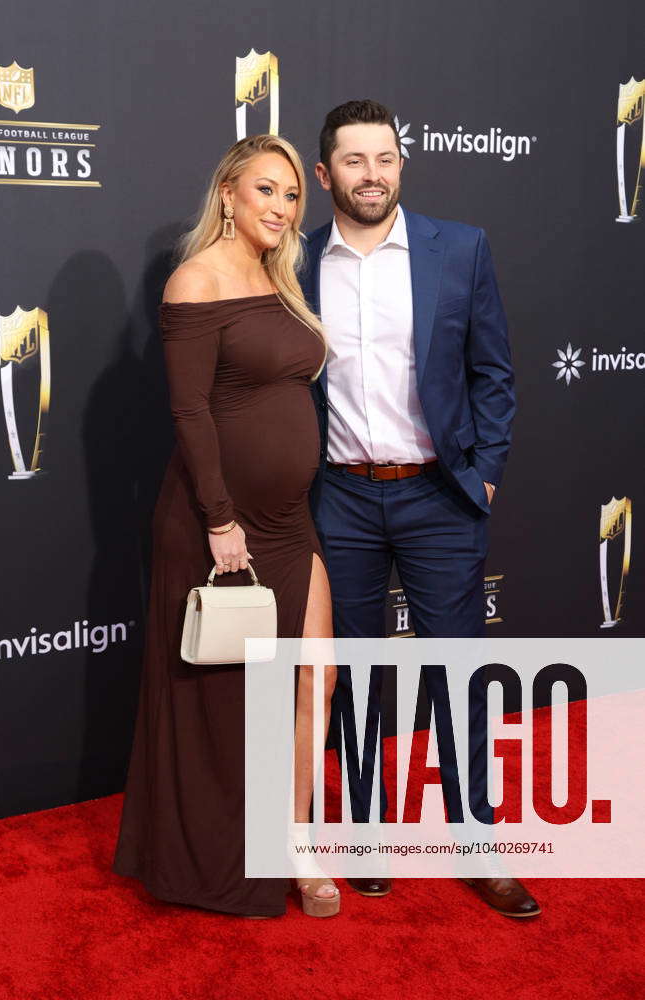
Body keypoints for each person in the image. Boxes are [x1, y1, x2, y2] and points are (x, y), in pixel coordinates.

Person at [301, 100, 540, 918]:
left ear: (403, 165)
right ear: (325, 174)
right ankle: (368, 833)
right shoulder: (294, 263)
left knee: (458, 675)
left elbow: (495, 373)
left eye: (388, 158)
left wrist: (488, 474)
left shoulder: (459, 249)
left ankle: (479, 841)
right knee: (357, 681)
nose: (375, 174)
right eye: (356, 161)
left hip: (441, 494)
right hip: (339, 498)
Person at [113, 134, 339, 918]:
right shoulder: (196, 279)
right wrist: (219, 519)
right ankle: (211, 855)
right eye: (265, 191)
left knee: (315, 677)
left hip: (290, 520)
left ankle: (300, 847)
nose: (280, 208)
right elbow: (189, 409)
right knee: (226, 701)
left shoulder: (280, 281)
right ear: (228, 195)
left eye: (290, 197)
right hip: (224, 525)